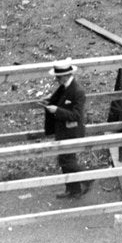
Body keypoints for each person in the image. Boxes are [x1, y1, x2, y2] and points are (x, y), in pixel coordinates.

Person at [43, 60, 91, 196]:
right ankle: (73, 189)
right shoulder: (64, 87)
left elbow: (76, 115)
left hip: (72, 131)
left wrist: (57, 110)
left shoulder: (77, 91)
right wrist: (48, 101)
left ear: (65, 76)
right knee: (65, 160)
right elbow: (57, 98)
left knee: (67, 161)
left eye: (58, 77)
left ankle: (88, 178)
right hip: (63, 130)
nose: (56, 79)